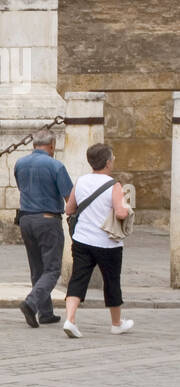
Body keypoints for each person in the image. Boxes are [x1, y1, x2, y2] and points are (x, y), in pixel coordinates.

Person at [62, 143, 134, 338]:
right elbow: (120, 214)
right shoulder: (114, 185)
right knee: (111, 281)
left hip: (82, 240)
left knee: (78, 278)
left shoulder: (82, 181)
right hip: (107, 243)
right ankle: (116, 323)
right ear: (108, 162)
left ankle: (70, 319)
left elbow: (69, 209)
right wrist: (126, 208)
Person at [13, 129, 73, 328]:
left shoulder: (20, 164)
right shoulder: (56, 165)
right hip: (48, 219)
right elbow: (69, 198)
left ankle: (46, 313)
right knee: (53, 269)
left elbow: (22, 188)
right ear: (52, 145)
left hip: (25, 219)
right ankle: (31, 303)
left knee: (37, 267)